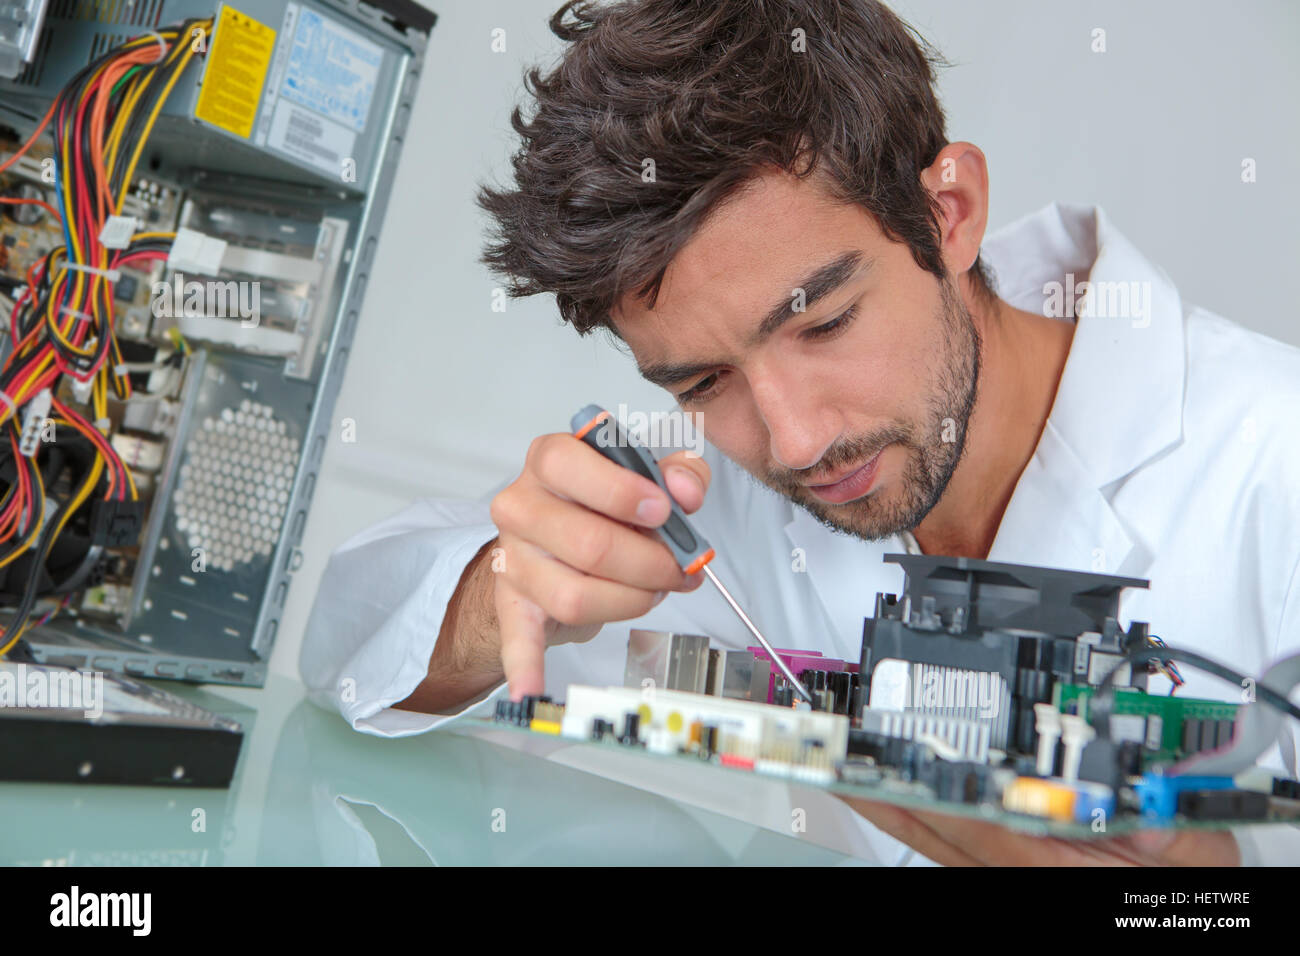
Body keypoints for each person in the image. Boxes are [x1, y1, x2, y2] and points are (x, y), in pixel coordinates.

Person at [300, 0, 1300, 865]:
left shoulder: (1270, 458)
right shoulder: (715, 509)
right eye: (702, 379)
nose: (791, 440)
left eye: (822, 324)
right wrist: (498, 596)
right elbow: (345, 643)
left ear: (946, 212)